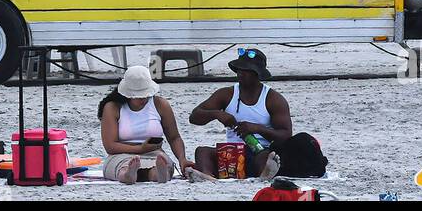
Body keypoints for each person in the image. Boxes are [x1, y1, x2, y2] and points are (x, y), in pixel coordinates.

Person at [189, 48, 289, 181]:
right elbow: (194, 117)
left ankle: (264, 175)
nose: (240, 73)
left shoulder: (273, 99)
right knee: (202, 152)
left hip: (259, 151)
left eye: (246, 70)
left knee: (266, 156)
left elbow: (286, 135)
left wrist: (257, 128)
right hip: (231, 153)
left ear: (257, 74)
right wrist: (217, 114)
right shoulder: (226, 94)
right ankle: (207, 177)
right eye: (239, 69)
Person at [98, 65, 196, 182]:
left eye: (146, 95)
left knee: (161, 165)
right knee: (122, 169)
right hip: (121, 155)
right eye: (139, 97)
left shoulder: (160, 105)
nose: (143, 99)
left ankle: (158, 174)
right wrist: (140, 149)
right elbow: (110, 146)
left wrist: (182, 159)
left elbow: (174, 137)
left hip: (154, 154)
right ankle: (128, 174)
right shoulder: (113, 108)